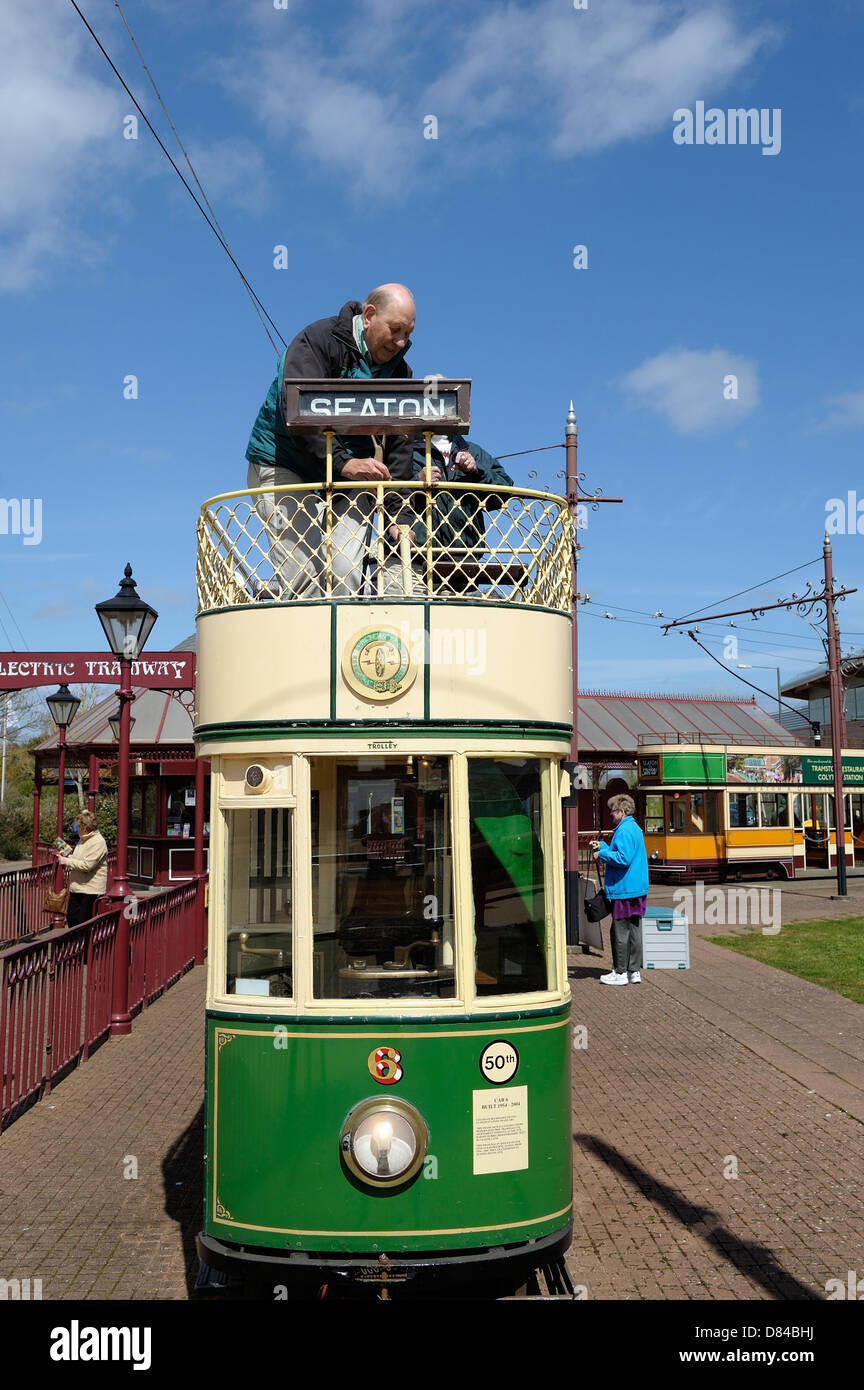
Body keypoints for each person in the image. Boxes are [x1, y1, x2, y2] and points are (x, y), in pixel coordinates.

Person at [245, 285, 417, 598]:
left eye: (407, 333)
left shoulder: (400, 373)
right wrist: (344, 462)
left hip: (348, 474)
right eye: (395, 330)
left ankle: (341, 642)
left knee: (346, 573)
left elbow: (400, 450)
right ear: (368, 316)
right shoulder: (316, 342)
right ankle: (311, 644)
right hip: (284, 461)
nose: (401, 342)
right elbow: (296, 410)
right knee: (304, 576)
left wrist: (399, 513)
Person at [409, 434, 513, 591]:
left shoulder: (473, 451)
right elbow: (384, 491)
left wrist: (477, 470)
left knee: (458, 616)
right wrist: (417, 480)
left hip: (462, 564)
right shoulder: (405, 448)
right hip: (411, 561)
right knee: (406, 615)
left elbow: (505, 492)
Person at [590, 793, 649, 986]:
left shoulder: (623, 831)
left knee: (620, 931)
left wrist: (602, 854)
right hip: (637, 889)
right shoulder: (634, 828)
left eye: (613, 811)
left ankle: (620, 972)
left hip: (624, 889)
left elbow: (622, 858)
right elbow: (625, 854)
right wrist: (604, 846)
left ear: (622, 811)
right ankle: (634, 971)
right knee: (635, 929)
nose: (611, 815)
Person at [52, 809, 108, 928]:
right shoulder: (83, 840)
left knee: (84, 923)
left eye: (78, 827)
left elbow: (87, 865)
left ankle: (85, 946)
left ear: (84, 828)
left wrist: (66, 861)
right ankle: (76, 945)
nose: (76, 830)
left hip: (91, 890)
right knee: (72, 918)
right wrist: (67, 856)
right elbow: (79, 859)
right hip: (77, 887)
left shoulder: (98, 841)